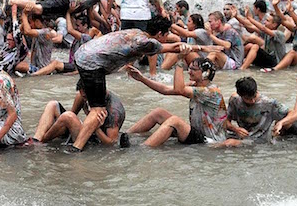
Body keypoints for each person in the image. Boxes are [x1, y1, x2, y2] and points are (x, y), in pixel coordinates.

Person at [70, 17, 212, 151]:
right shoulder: (147, 42)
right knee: (97, 110)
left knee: (85, 96)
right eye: (166, 34)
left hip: (82, 54)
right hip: (92, 64)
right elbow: (175, 48)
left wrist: (142, 78)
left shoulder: (137, 32)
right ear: (159, 34)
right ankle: (77, 147)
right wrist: (202, 49)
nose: (167, 37)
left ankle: (70, 128)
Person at [127, 57, 226, 147]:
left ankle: (143, 148)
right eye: (189, 68)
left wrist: (179, 61)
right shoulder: (195, 86)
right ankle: (125, 135)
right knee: (158, 113)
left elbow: (179, 89)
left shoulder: (211, 92)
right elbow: (165, 90)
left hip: (210, 141)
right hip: (197, 134)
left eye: (193, 70)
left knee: (175, 121)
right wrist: (142, 79)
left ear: (206, 73)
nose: (189, 72)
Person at [33, 80, 126, 148]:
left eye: (86, 97)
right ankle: (36, 140)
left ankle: (42, 142)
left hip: (94, 140)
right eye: (82, 96)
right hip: (82, 130)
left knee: (67, 116)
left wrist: (96, 127)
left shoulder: (113, 111)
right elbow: (71, 116)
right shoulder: (82, 96)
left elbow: (111, 143)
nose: (84, 99)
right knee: (52, 105)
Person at [217, 77, 288, 147]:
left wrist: (281, 123)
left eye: (254, 96)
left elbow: (292, 113)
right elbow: (225, 121)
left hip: (260, 141)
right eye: (248, 99)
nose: (253, 101)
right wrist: (235, 129)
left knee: (228, 143)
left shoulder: (268, 103)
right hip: (243, 137)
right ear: (240, 95)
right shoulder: (235, 100)